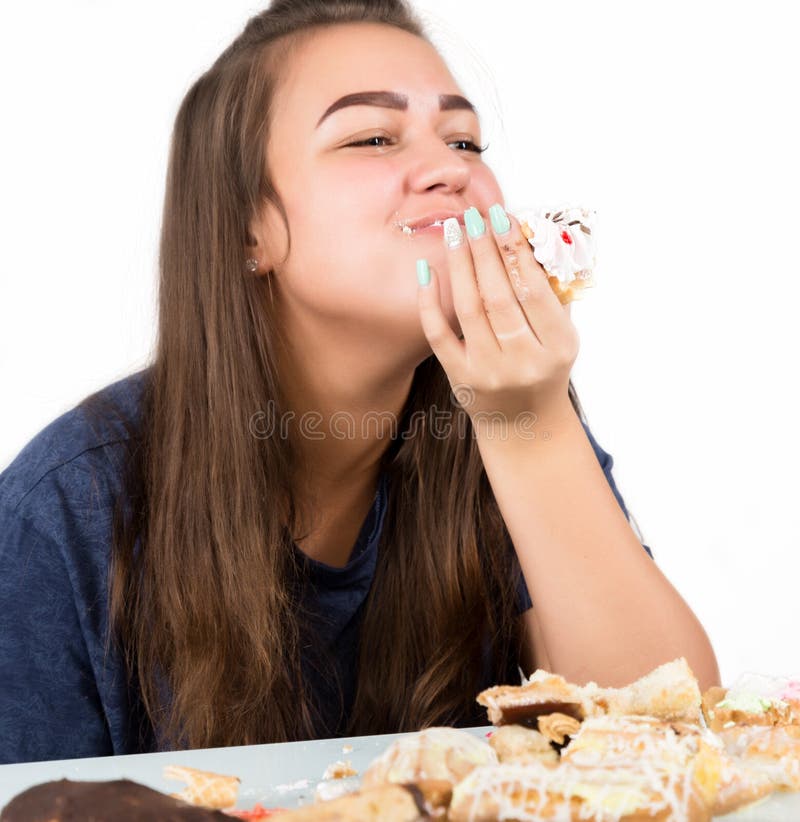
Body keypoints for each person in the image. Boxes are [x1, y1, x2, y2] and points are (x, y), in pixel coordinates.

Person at [0, 0, 720, 765]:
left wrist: (529, 427)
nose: (453, 168)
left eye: (467, 140)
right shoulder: (62, 513)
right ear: (249, 228)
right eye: (373, 137)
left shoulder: (512, 412)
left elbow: (675, 749)